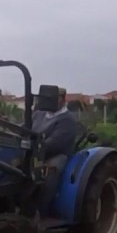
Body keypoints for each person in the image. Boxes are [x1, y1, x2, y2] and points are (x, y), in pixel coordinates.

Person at [31, 87, 81, 220]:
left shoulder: (67, 120)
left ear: (63, 99)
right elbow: (23, 128)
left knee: (49, 171)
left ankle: (42, 211)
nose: (50, 101)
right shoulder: (38, 114)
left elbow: (54, 144)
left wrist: (31, 147)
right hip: (34, 151)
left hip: (57, 154)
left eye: (56, 97)